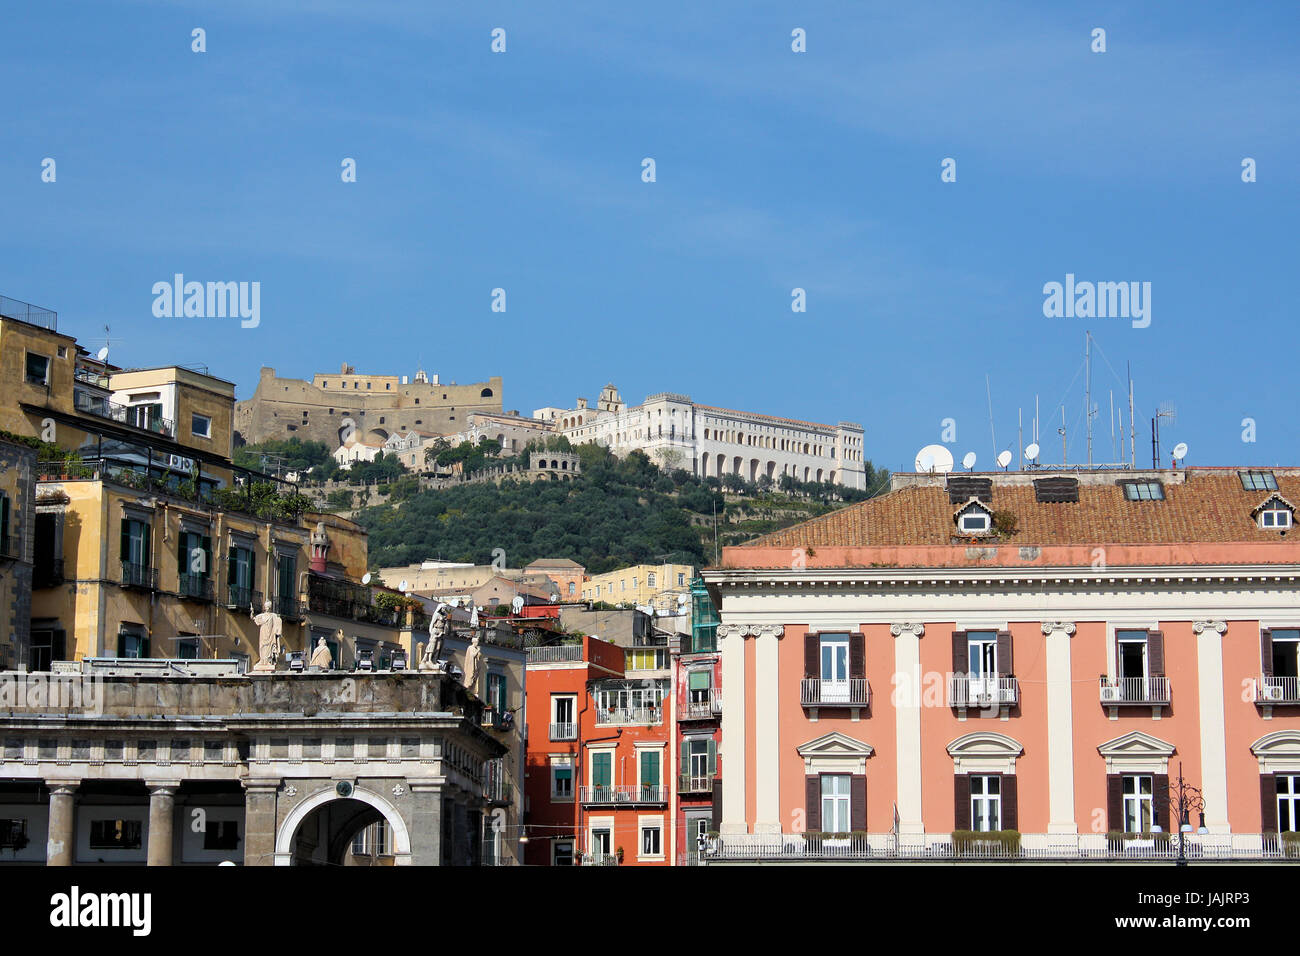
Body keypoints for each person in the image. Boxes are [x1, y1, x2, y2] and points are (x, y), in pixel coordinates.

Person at [250, 601, 282, 669]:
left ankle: (267, 661)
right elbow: (253, 618)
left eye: (268, 607)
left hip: (270, 634)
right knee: (262, 646)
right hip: (263, 632)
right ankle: (262, 661)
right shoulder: (261, 616)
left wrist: (277, 632)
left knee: (269, 647)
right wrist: (252, 612)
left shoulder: (272, 616)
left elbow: (278, 621)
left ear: (269, 607)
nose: (267, 608)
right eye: (266, 607)